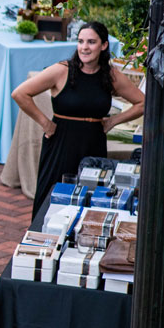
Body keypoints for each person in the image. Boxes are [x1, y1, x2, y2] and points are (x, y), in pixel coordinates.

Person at [11, 21, 145, 218]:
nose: (84, 47)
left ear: (104, 45)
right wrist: (45, 122)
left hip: (93, 143)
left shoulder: (110, 75)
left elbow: (142, 103)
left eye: (91, 42)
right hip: (61, 142)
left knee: (90, 196)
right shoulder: (61, 70)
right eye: (81, 41)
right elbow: (20, 93)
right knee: (51, 196)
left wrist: (113, 121)